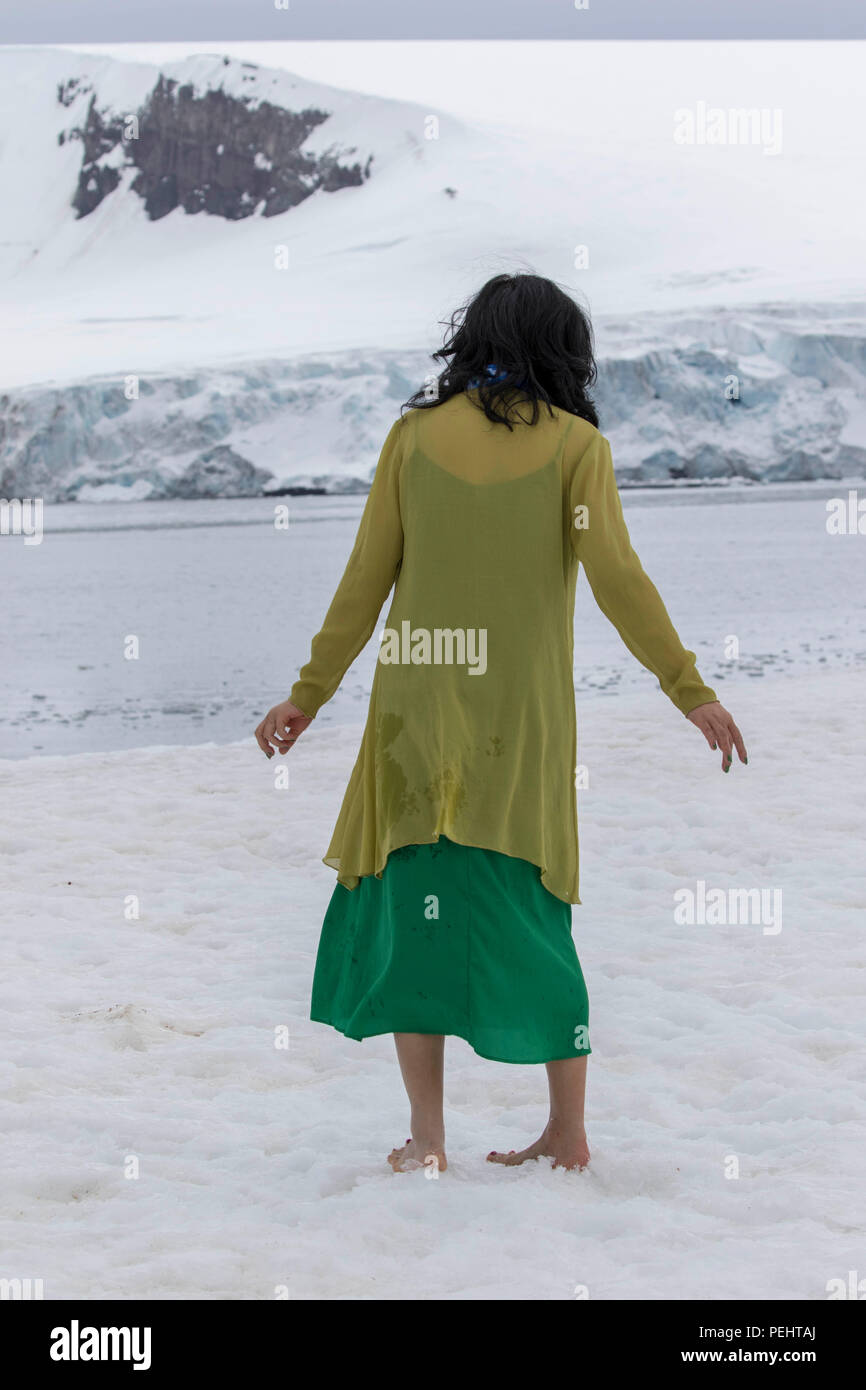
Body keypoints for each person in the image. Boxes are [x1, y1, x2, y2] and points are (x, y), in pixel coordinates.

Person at [255, 272, 747, 1175]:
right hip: (518, 724)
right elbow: (619, 580)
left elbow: (365, 578)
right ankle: (568, 1131)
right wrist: (689, 687)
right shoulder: (576, 449)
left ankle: (429, 1141)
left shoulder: (411, 439)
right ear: (563, 349)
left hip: (415, 716)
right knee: (532, 910)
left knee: (414, 919)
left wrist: (308, 694)